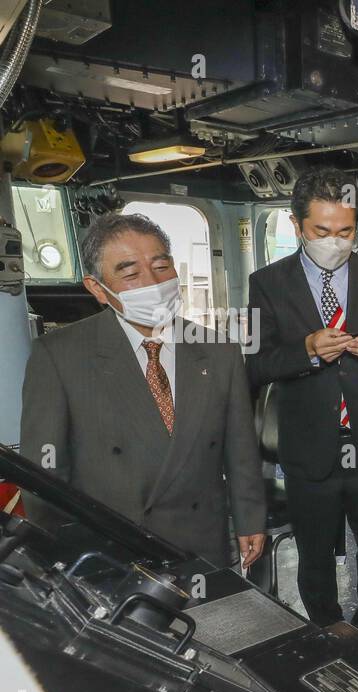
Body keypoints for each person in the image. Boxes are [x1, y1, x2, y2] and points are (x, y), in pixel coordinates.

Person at [20, 212, 265, 568]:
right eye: (130, 272)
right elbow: (44, 475)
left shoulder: (219, 350)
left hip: (201, 538)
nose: (152, 282)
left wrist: (249, 519)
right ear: (97, 289)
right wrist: (67, 552)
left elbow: (240, 449)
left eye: (161, 266)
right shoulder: (59, 355)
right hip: (112, 546)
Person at [245, 167, 358, 630]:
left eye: (345, 231)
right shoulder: (267, 283)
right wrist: (306, 352)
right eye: (322, 231)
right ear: (297, 226)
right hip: (309, 452)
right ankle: (326, 631)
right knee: (315, 558)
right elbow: (255, 367)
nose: (335, 241)